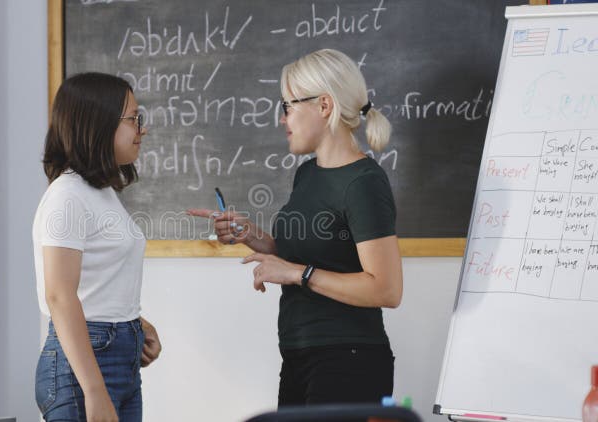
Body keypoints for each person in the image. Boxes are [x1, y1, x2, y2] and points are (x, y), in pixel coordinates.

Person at [189, 49, 403, 406]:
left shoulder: (364, 182)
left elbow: (386, 289)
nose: (281, 119)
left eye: (287, 106)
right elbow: (307, 257)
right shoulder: (307, 174)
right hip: (299, 354)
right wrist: (252, 236)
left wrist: (296, 273)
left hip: (348, 360)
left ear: (324, 106)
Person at [33, 72, 161, 422]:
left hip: (116, 357)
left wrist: (135, 325)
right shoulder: (66, 196)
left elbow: (95, 282)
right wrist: (93, 389)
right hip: (84, 369)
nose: (142, 129)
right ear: (99, 124)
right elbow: (59, 295)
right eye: (134, 119)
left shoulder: (99, 193)